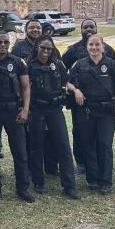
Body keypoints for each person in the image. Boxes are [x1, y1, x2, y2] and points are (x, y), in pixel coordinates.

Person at [66, 34, 115, 194]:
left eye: (97, 45)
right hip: (86, 111)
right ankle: (92, 179)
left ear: (103, 46)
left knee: (104, 145)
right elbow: (68, 81)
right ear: (87, 47)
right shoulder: (79, 64)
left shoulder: (111, 64)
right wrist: (76, 90)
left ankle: (105, 181)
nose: (94, 47)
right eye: (91, 45)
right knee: (88, 145)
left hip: (106, 112)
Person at [26, 39, 81, 199]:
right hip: (37, 110)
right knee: (36, 147)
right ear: (37, 48)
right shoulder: (29, 66)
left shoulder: (58, 65)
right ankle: (38, 182)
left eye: (49, 48)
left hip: (55, 109)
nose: (46, 51)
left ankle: (69, 186)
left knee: (63, 147)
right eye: (42, 47)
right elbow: (23, 87)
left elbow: (66, 82)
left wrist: (75, 90)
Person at [0, 35, 34, 202]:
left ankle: (23, 188)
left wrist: (25, 109)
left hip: (13, 111)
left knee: (20, 151)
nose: (2, 44)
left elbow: (26, 87)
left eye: (5, 42)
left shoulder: (18, 62)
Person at [62, 18, 115, 175]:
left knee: (102, 136)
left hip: (103, 102)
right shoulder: (72, 50)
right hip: (79, 102)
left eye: (91, 27)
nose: (89, 29)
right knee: (79, 133)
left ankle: (100, 164)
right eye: (85, 27)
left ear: (96, 28)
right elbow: (63, 72)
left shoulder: (109, 50)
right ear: (81, 30)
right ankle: (81, 162)